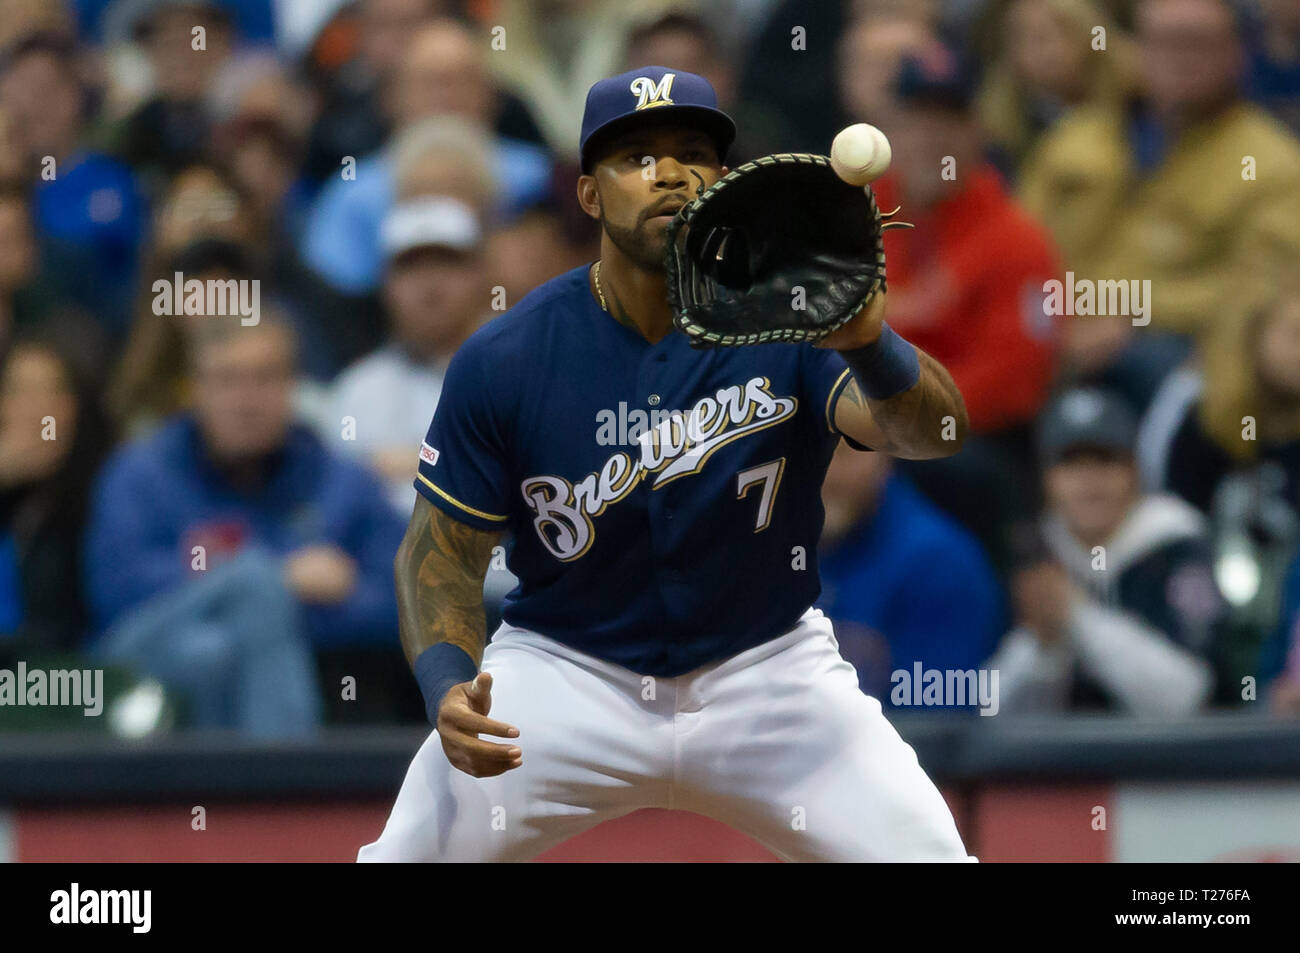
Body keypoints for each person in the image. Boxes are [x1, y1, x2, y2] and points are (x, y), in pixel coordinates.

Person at [361, 66, 975, 862]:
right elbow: (438, 551)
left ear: (723, 180)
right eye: (635, 156)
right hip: (565, 672)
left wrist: (871, 345)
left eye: (692, 152)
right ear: (588, 195)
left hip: (767, 670)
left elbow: (938, 430)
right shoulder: (508, 357)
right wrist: (447, 683)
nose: (669, 172)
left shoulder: (785, 318)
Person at [85, 317, 407, 736]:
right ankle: (285, 786)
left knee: (215, 650)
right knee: (254, 584)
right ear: (195, 390)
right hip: (145, 666)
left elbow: (407, 603)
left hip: (243, 664)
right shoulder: (142, 473)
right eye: (227, 380)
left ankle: (227, 793)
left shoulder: (340, 481)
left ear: (294, 387)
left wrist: (316, 603)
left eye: (263, 379)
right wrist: (284, 581)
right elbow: (117, 593)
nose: (246, 400)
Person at [1018, 0, 1300, 402]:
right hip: (1053, 330)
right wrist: (1056, 319)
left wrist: (1133, 311)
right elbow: (1018, 249)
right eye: (1163, 41)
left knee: (1151, 364)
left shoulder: (1270, 163)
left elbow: (1261, 289)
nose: (1178, 58)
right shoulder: (1075, 139)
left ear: (1236, 53)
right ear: (1138, 48)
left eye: (1196, 42)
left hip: (1170, 349)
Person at [990, 388, 1230, 716]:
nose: (1089, 480)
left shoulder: (1175, 545)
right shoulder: (1034, 551)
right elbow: (990, 709)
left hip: (1169, 762)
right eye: (1071, 463)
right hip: (1062, 761)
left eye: (1105, 460)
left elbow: (1185, 697)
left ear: (1134, 470)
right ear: (1045, 479)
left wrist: (1077, 616)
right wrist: (1043, 648)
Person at [324, 195, 489, 512]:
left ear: (480, 273)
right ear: (386, 283)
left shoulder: (520, 370)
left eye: (447, 261)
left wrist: (407, 465)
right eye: (411, 267)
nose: (430, 283)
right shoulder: (356, 391)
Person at [817, 440, 1003, 708]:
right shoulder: (764, 543)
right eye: (815, 453)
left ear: (885, 455)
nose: (829, 475)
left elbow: (935, 729)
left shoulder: (940, 563)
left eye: (845, 456)